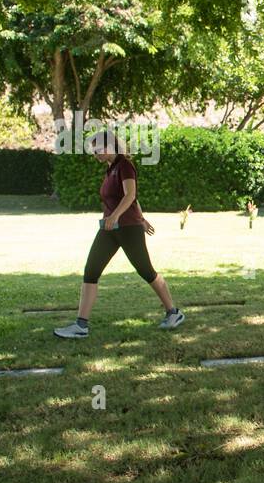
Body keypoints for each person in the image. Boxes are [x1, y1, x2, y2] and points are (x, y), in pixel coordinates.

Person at [54, 129, 182, 339]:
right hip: (109, 228)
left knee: (146, 271)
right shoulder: (111, 169)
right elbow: (130, 198)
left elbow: (131, 194)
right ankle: (81, 325)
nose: (95, 154)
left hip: (128, 228)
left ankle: (173, 312)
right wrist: (136, 217)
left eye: (97, 150)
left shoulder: (125, 165)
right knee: (91, 271)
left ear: (108, 146)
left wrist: (127, 218)